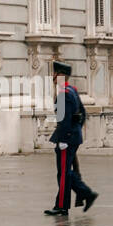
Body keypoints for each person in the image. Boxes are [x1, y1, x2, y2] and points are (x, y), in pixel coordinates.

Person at [44, 62, 98, 215]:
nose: (53, 77)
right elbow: (82, 114)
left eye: (55, 74)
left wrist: (65, 138)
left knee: (63, 173)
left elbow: (65, 119)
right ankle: (82, 196)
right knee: (66, 172)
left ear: (60, 75)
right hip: (72, 137)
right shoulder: (71, 90)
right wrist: (76, 131)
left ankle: (63, 205)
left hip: (66, 139)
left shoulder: (64, 93)